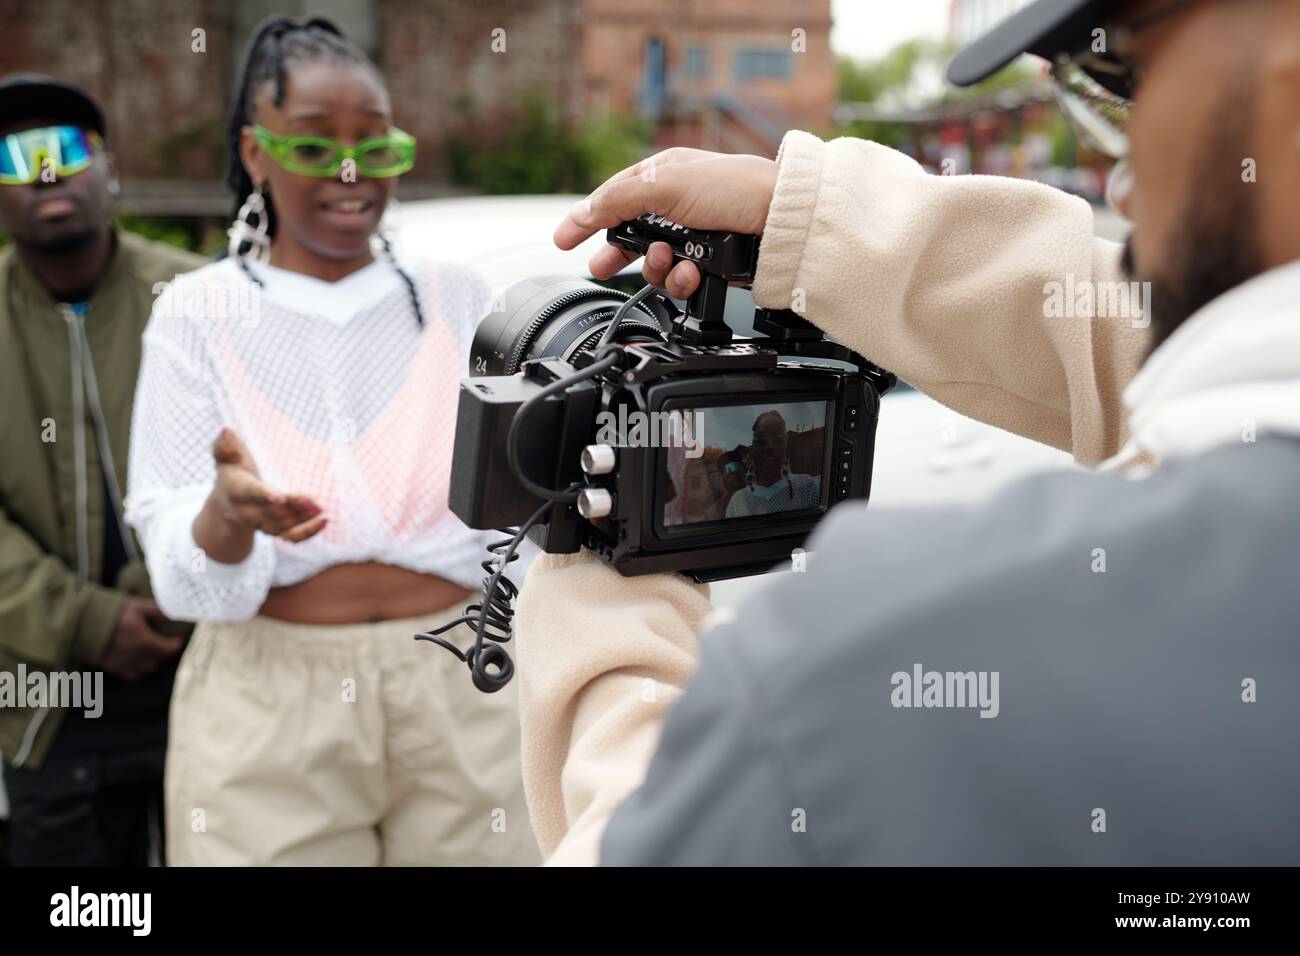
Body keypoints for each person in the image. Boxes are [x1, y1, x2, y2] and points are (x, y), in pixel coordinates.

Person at [513, 0, 1300, 864]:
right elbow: (1144, 330)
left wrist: (603, 590)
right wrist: (807, 219)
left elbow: (641, 839)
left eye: (1125, 80)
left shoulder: (866, 665)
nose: (1119, 176)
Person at [125, 16, 537, 866]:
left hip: (467, 679)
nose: (351, 174)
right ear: (255, 153)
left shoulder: (460, 298)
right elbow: (178, 565)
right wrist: (226, 518)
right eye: (313, 147)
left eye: (376, 148)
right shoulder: (197, 314)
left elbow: (519, 516)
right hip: (272, 707)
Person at [0, 75, 203, 865]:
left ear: (110, 167)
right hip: (43, 695)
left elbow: (250, 466)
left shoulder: (194, 295)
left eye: (68, 149)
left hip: (202, 669)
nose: (46, 171)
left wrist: (162, 600)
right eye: (16, 156)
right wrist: (85, 619)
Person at [723, 412, 821, 518]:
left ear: (785, 448)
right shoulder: (737, 502)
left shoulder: (806, 486)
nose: (769, 448)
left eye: (778, 441)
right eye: (761, 442)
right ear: (753, 450)